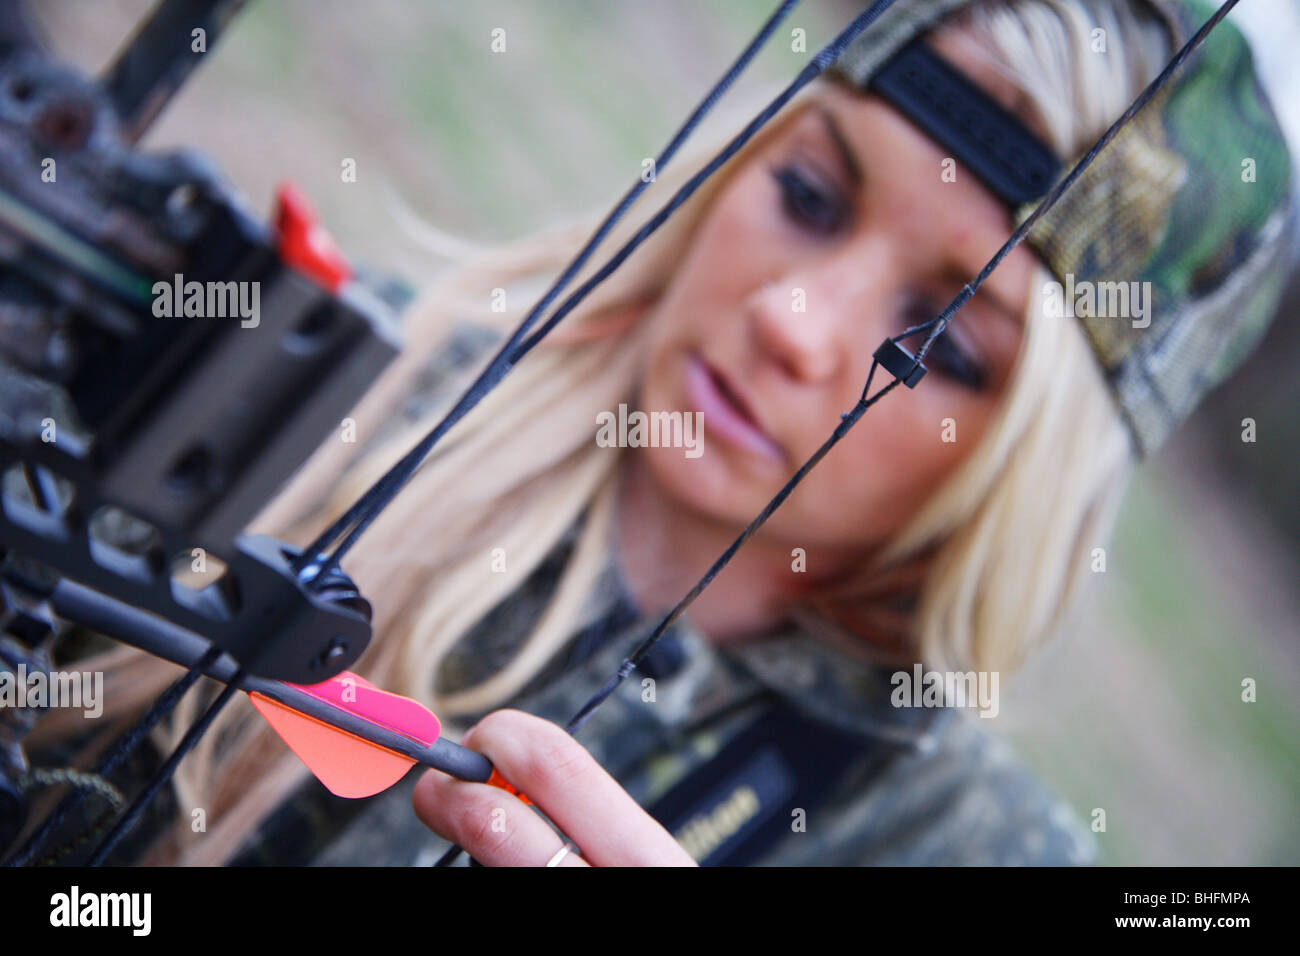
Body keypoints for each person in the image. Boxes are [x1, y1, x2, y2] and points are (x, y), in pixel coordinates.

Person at [41, 0, 1292, 866]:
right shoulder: (326, 379)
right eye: (808, 193)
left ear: (1028, 471)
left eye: (946, 342)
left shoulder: (956, 843)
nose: (798, 321)